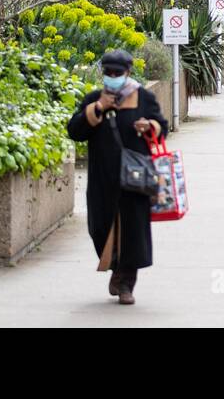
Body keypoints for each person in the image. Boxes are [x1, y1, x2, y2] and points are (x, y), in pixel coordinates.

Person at [66, 50, 168, 304]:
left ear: (128, 73)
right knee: (99, 227)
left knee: (133, 231)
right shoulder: (94, 99)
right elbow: (75, 131)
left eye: (117, 73)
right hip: (103, 177)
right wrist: (98, 108)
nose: (112, 77)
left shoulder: (143, 98)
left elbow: (161, 126)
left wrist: (150, 126)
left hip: (135, 177)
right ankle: (114, 268)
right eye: (108, 73)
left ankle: (126, 283)